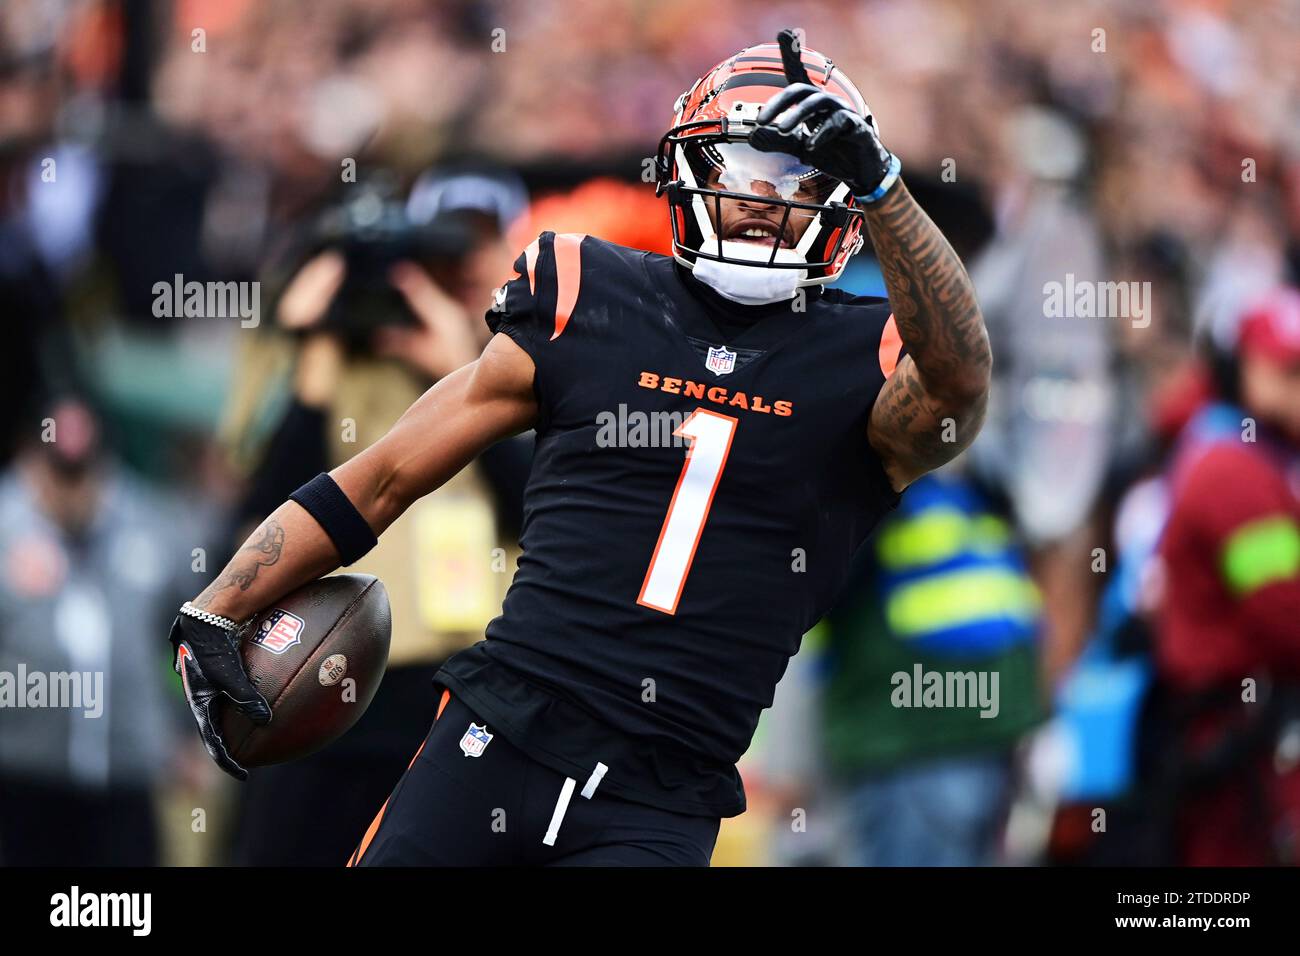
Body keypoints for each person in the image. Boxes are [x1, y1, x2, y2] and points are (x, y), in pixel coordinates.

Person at [169, 31, 992, 866]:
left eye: (798, 176)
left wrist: (887, 187)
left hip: (663, 797)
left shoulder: (867, 357)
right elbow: (383, 475)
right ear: (687, 170)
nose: (760, 197)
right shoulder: (589, 293)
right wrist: (220, 605)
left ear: (846, 199)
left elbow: (961, 379)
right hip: (496, 740)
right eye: (739, 166)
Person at [1151, 286, 1300, 865]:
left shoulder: (1253, 459)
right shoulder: (1235, 475)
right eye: (1289, 372)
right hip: (1235, 754)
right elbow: (1287, 618)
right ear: (1241, 373)